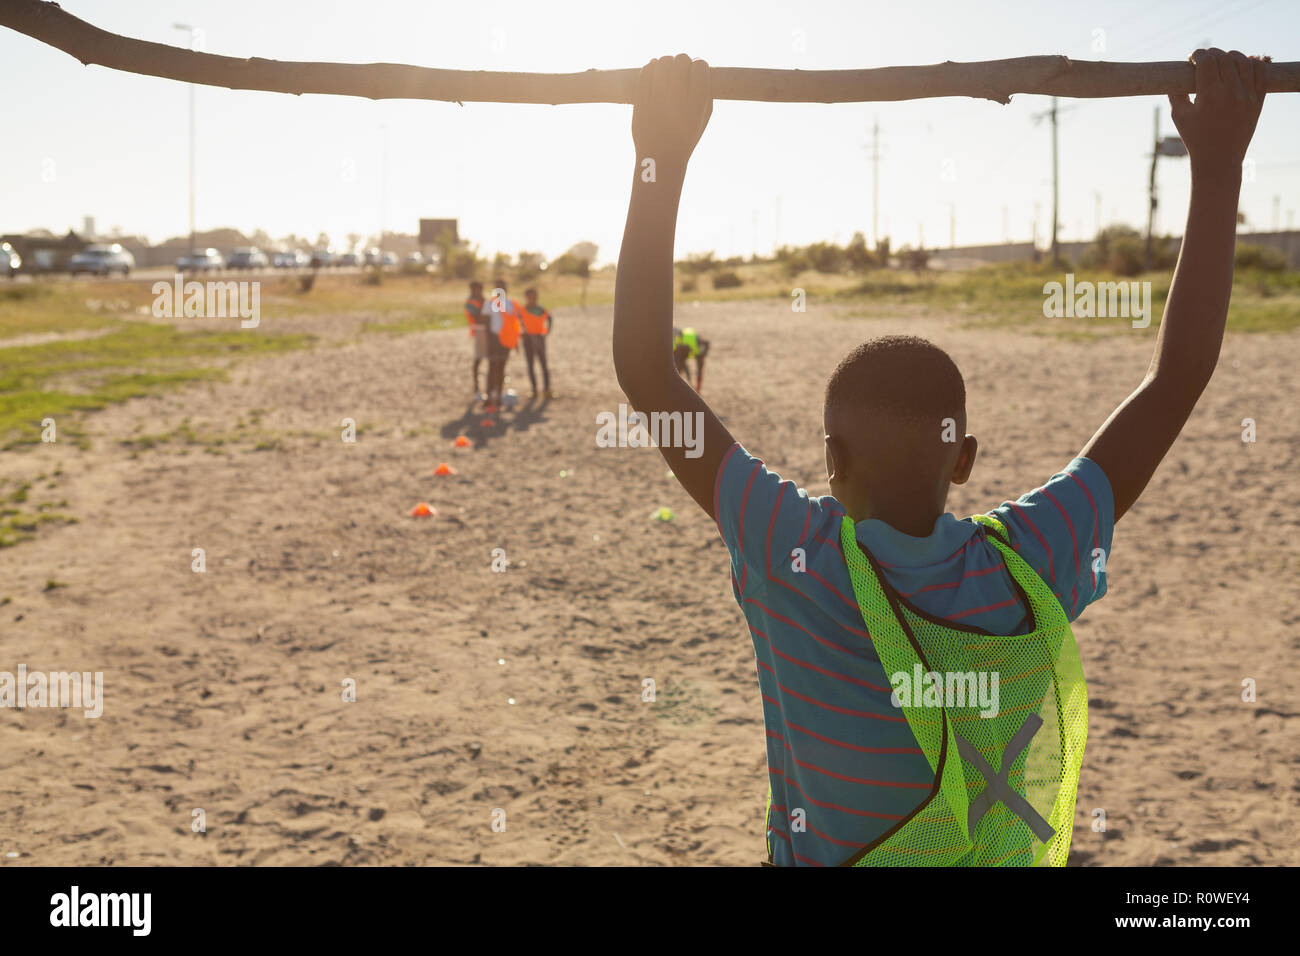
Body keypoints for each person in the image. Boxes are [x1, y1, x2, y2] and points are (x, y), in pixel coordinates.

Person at [611, 51, 1267, 866]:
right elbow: (1174, 382)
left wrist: (659, 157)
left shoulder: (791, 554)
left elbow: (644, 369)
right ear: (964, 460)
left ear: (830, 460)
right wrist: (1218, 169)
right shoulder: (1029, 563)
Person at [480, 277, 524, 412]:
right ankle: (489, 397)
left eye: (503, 286)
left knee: (501, 369)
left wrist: (515, 342)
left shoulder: (511, 304)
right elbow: (486, 323)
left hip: (506, 341)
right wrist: (487, 342)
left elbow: (515, 324)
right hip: (494, 339)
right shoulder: (490, 303)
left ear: (506, 288)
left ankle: (498, 396)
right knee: (492, 368)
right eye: (498, 286)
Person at [521, 287, 555, 398]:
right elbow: (517, 322)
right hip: (527, 339)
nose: (532, 298)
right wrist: (521, 332)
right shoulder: (523, 310)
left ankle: (546, 389)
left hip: (539, 339)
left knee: (543, 364)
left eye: (534, 296)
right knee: (530, 364)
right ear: (526, 297)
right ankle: (534, 390)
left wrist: (547, 332)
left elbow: (549, 318)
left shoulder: (541, 309)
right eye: (530, 296)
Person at [464, 280, 487, 398]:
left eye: (480, 289)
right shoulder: (470, 302)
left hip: (488, 332)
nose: (479, 291)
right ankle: (476, 386)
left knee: (491, 359)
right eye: (476, 289)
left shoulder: (482, 301)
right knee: (478, 359)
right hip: (479, 331)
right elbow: (478, 317)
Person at [672, 326, 709, 391]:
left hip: (691, 346)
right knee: (679, 368)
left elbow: (706, 343)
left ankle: (697, 388)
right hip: (687, 346)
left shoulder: (681, 343)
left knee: (680, 368)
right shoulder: (678, 345)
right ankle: (696, 388)